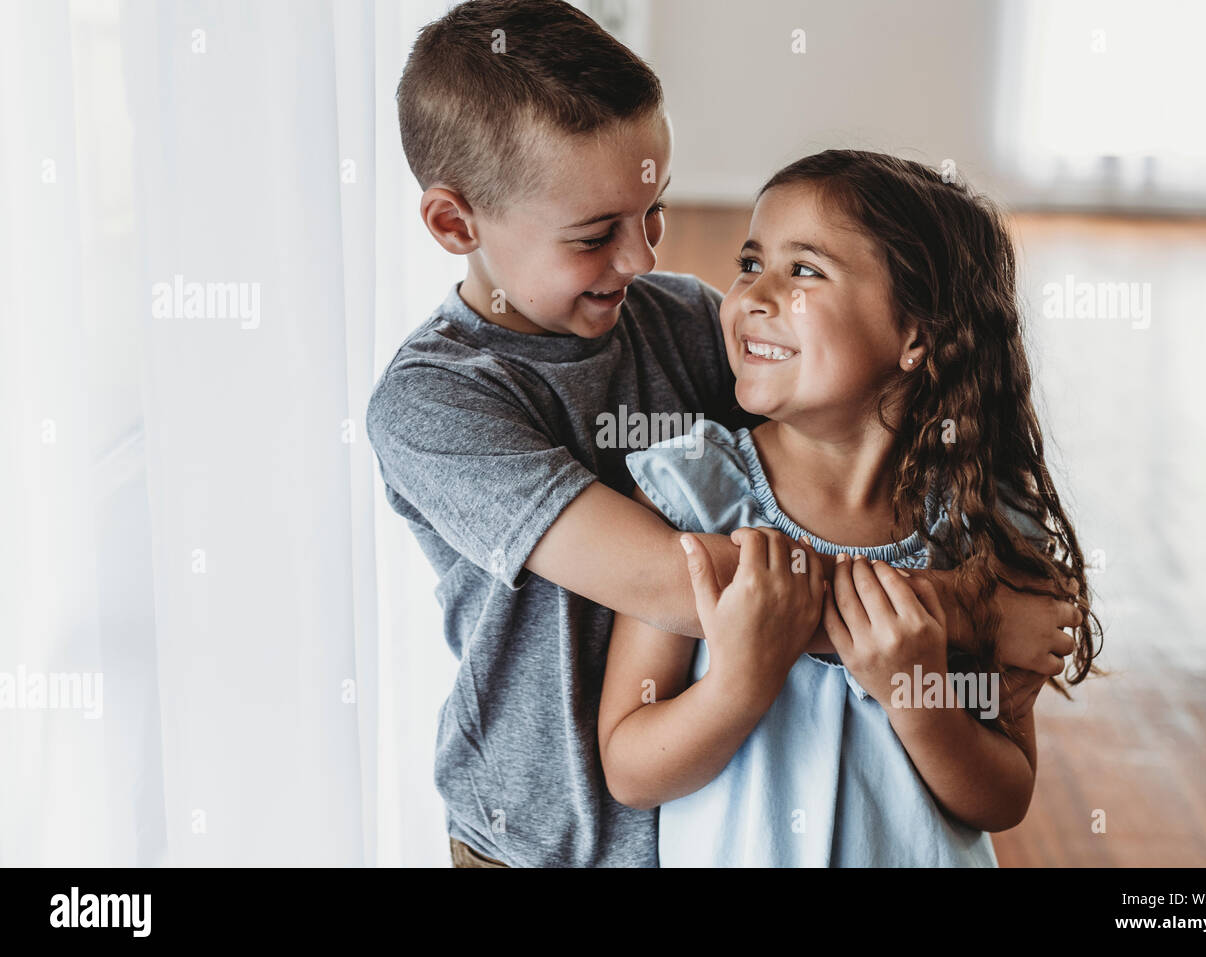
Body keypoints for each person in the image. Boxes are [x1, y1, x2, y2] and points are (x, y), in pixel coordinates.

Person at [368, 0, 1081, 867]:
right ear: (455, 225)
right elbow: (691, 581)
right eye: (596, 235)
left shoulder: (684, 323)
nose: (642, 258)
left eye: (654, 211)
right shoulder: (434, 403)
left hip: (717, 823)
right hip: (542, 843)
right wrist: (971, 607)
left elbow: (820, 455)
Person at [598, 150, 1099, 866]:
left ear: (917, 336)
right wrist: (739, 684)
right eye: (750, 262)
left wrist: (914, 696)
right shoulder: (694, 493)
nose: (750, 296)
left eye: (803, 270)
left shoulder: (982, 520)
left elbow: (1005, 793)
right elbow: (630, 765)